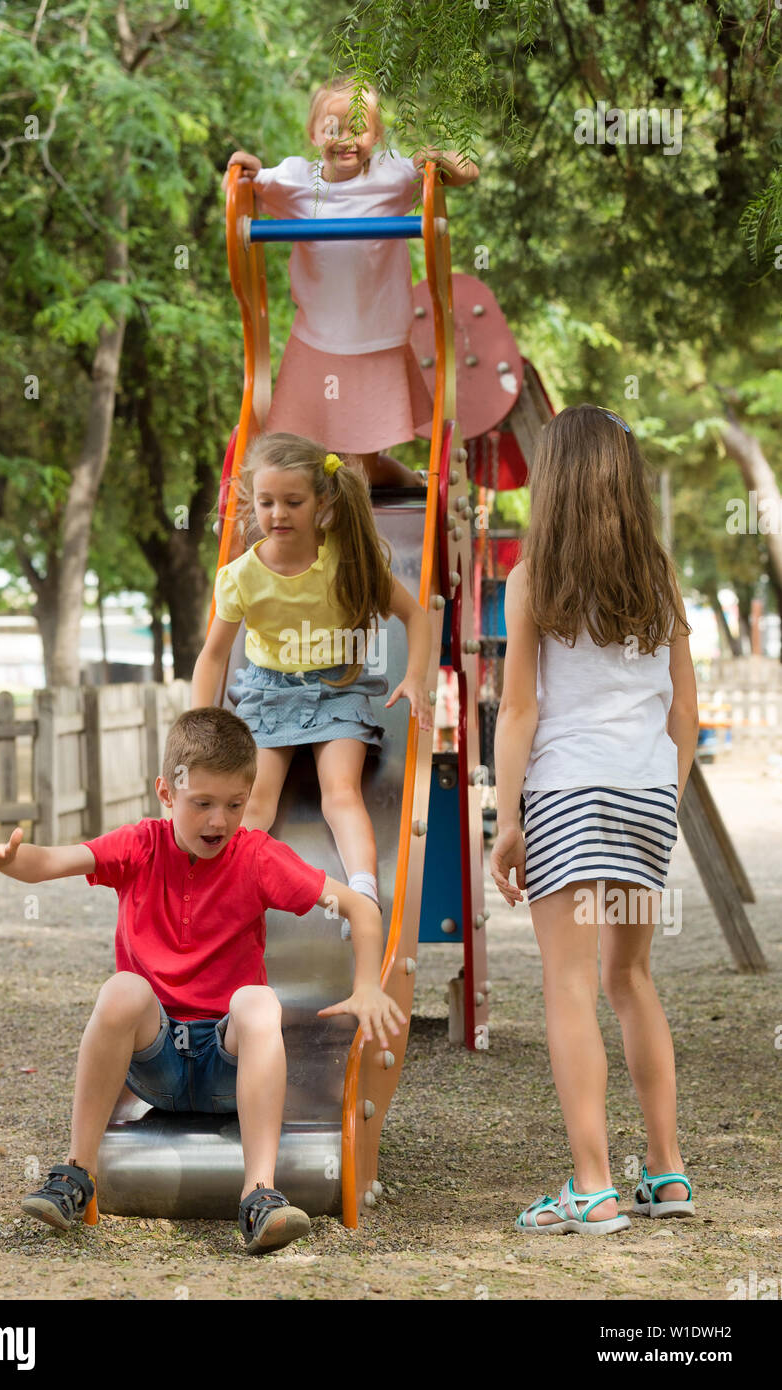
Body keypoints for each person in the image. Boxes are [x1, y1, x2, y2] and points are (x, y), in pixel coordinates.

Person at [0, 706, 404, 1254]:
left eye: (235, 805)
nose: (219, 821)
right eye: (202, 804)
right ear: (166, 792)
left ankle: (259, 1195)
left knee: (259, 1001)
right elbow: (52, 862)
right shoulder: (140, 845)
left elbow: (358, 906)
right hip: (156, 1062)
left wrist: (369, 985)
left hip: (225, 1068)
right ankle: (75, 1173)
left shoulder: (255, 856)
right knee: (122, 990)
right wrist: (7, 862)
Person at [490, 404, 700, 1235]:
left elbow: (518, 711)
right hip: (646, 797)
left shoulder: (532, 579)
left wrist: (507, 820)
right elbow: (686, 708)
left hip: (569, 793)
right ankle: (670, 1173)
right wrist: (663, 791)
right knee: (630, 979)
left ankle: (593, 1186)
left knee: (570, 982)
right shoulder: (662, 576)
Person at [191, 432, 433, 915]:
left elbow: (416, 616)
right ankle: (230, 897)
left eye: (292, 501)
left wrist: (418, 678)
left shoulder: (347, 561)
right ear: (252, 503)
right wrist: (201, 723)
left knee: (340, 792)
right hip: (268, 694)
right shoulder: (242, 575)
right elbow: (214, 654)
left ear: (321, 501)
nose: (277, 514)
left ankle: (363, 894)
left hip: (335, 690)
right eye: (266, 502)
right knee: (255, 800)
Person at [222, 75, 479, 488]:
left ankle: (420, 492)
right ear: (312, 133)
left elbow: (469, 170)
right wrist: (240, 164)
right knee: (302, 460)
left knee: (362, 469)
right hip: (315, 341)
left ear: (376, 135)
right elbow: (242, 190)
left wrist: (437, 159)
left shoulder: (392, 175)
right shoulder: (296, 181)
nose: (345, 138)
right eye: (332, 128)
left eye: (358, 127)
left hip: (376, 342)